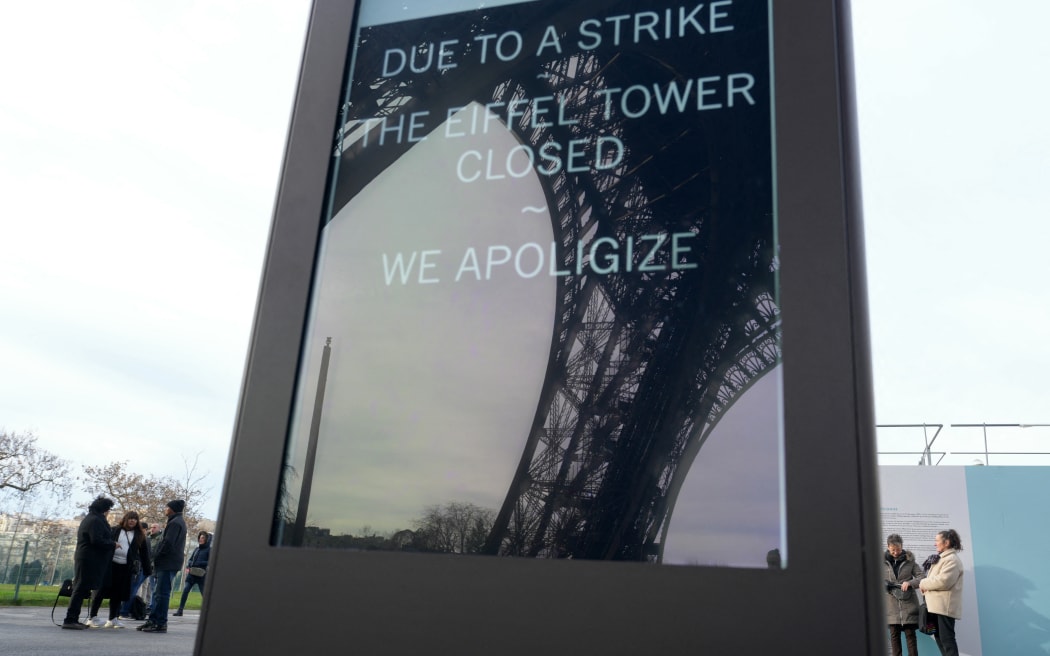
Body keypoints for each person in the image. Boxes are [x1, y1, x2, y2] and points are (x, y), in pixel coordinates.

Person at [86, 510, 152, 628]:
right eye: (130, 518)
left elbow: (144, 554)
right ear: (125, 519)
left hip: (125, 567)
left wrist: (148, 570)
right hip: (110, 565)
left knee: (118, 593)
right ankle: (92, 617)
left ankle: (113, 618)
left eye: (135, 519)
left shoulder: (139, 535)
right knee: (101, 591)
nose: (132, 521)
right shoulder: (115, 530)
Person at [61, 496, 116, 629]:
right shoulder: (95, 520)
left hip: (89, 558)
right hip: (88, 558)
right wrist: (112, 544)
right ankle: (70, 619)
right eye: (108, 509)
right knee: (80, 588)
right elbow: (96, 539)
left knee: (82, 588)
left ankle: (74, 618)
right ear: (104, 509)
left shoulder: (92, 518)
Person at [138, 499, 187, 634]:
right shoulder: (175, 522)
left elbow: (168, 543)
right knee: (157, 594)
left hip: (167, 562)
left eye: (167, 507)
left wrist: (155, 555)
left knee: (162, 594)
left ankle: (160, 622)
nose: (165, 509)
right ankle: (153, 620)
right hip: (167, 562)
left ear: (173, 509)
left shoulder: (175, 523)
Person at [919, 529, 965, 656]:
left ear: (947, 542)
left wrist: (923, 583)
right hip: (937, 608)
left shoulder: (951, 560)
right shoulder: (942, 559)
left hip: (944, 608)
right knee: (940, 640)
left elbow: (943, 581)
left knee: (947, 640)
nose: (935, 544)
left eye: (937, 541)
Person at [884, 534, 924, 656]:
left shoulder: (910, 561)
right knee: (894, 637)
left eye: (898, 549)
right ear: (888, 547)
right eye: (893, 550)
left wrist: (910, 583)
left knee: (910, 636)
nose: (896, 552)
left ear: (902, 547)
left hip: (909, 605)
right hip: (890, 605)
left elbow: (922, 577)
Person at [174, 531, 212, 616]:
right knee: (185, 590)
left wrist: (199, 563)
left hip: (201, 575)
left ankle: (209, 610)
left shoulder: (209, 550)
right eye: (200, 537)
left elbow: (210, 561)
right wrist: (189, 564)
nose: (200, 539)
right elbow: (190, 559)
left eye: (203, 538)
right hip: (192, 574)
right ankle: (180, 610)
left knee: (203, 593)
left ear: (206, 539)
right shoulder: (196, 549)